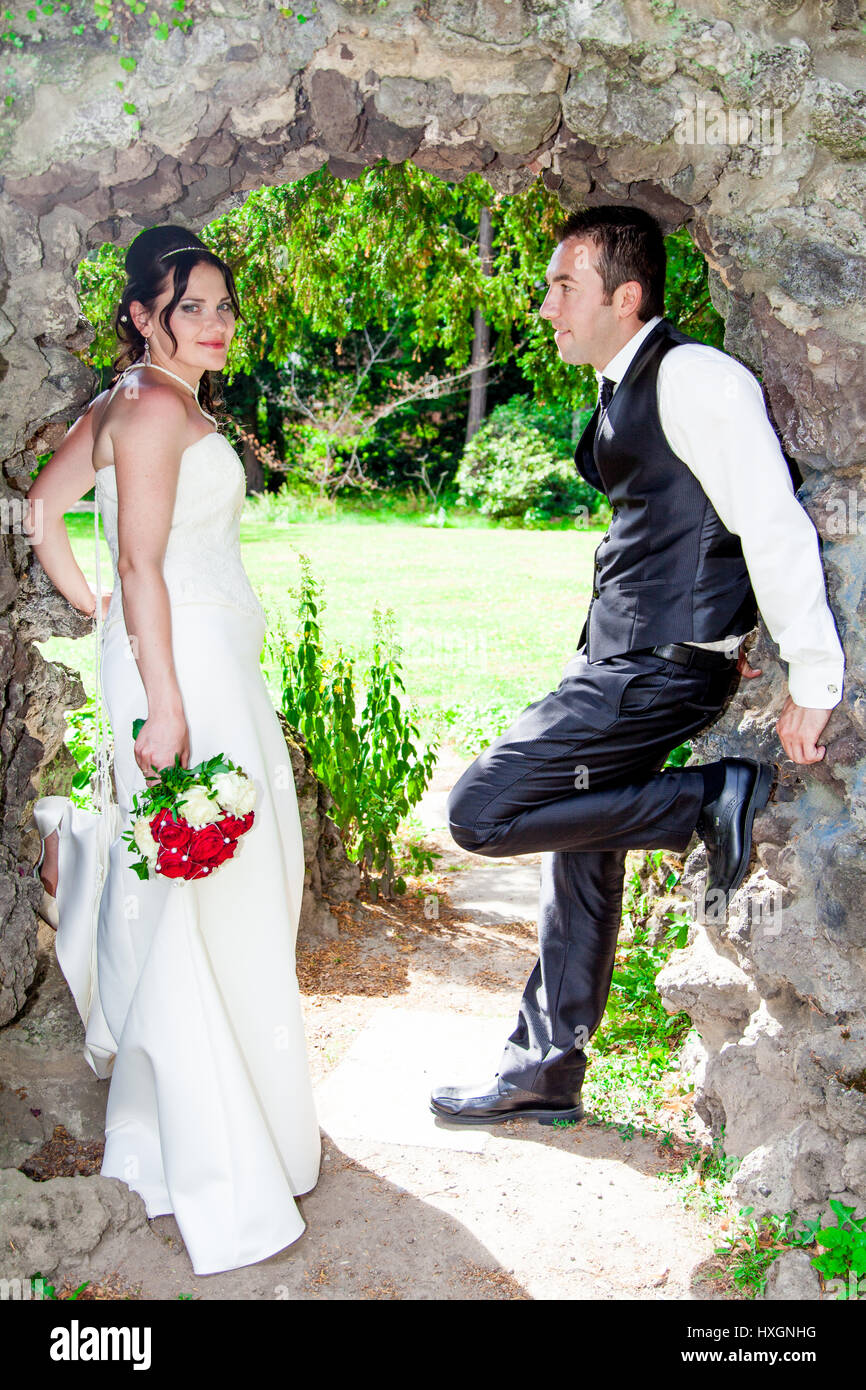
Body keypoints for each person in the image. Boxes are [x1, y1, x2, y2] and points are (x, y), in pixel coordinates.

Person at [430, 205, 845, 1127]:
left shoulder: (696, 379)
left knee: (480, 813)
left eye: (562, 286)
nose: (545, 307)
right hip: (628, 659)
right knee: (577, 855)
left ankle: (705, 801)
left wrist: (815, 679)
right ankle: (546, 1068)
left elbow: (771, 524)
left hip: (655, 670)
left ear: (626, 294)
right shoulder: (623, 383)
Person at [26, 225, 321, 1274]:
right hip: (178, 667)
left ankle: (240, 1114)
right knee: (215, 888)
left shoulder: (134, 402)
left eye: (223, 305)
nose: (217, 322)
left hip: (183, 653)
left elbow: (41, 508)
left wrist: (88, 601)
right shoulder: (149, 409)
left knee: (230, 881)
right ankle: (211, 1147)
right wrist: (160, 700)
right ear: (146, 317)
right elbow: (142, 564)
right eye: (192, 306)